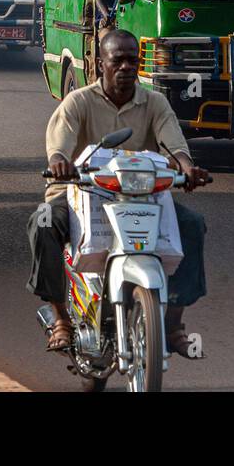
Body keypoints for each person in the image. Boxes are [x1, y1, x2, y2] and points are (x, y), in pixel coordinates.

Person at [29, 30, 211, 354]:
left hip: (140, 196)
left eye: (132, 60)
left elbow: (175, 146)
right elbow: (59, 146)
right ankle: (60, 319)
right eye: (118, 60)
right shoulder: (78, 101)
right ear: (101, 64)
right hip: (81, 191)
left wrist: (186, 168)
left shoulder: (154, 102)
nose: (126, 67)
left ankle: (172, 323)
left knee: (192, 225)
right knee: (43, 224)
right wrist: (60, 163)